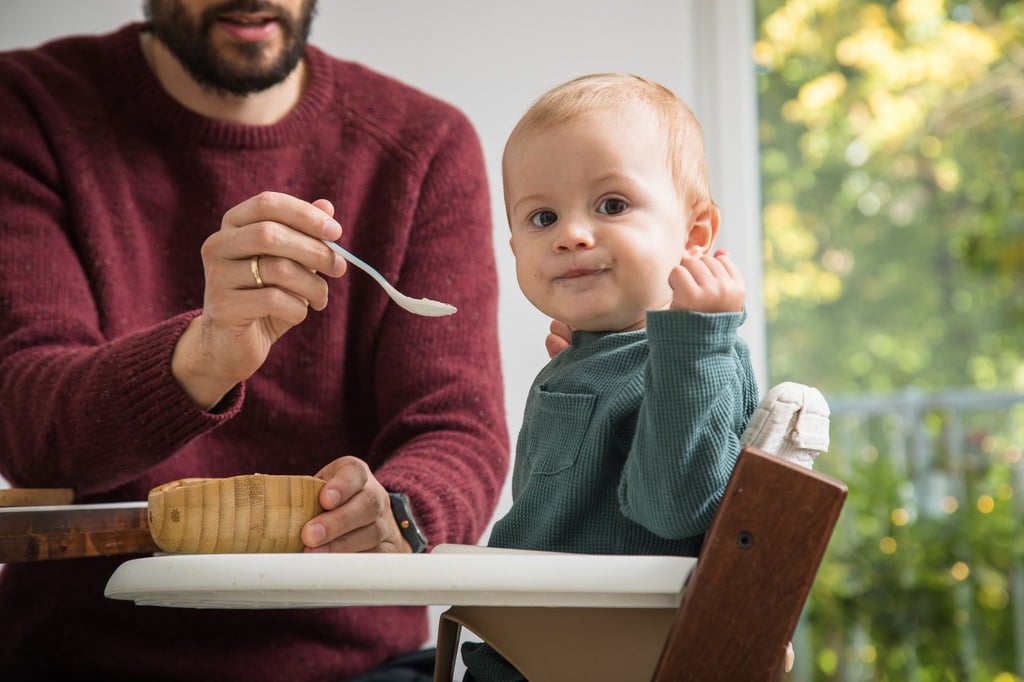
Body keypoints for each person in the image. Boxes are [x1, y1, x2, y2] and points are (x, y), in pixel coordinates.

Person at [0, 1, 509, 680]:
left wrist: (395, 513)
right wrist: (204, 357)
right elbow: (29, 431)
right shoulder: (28, 109)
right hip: (78, 655)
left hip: (362, 667)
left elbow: (455, 427)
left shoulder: (423, 143)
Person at [461, 73, 760, 681]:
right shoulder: (594, 356)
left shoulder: (699, 358)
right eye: (543, 217)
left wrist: (695, 341)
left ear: (695, 236)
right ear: (512, 246)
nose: (571, 236)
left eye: (612, 206)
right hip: (524, 648)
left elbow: (677, 509)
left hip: (601, 660)